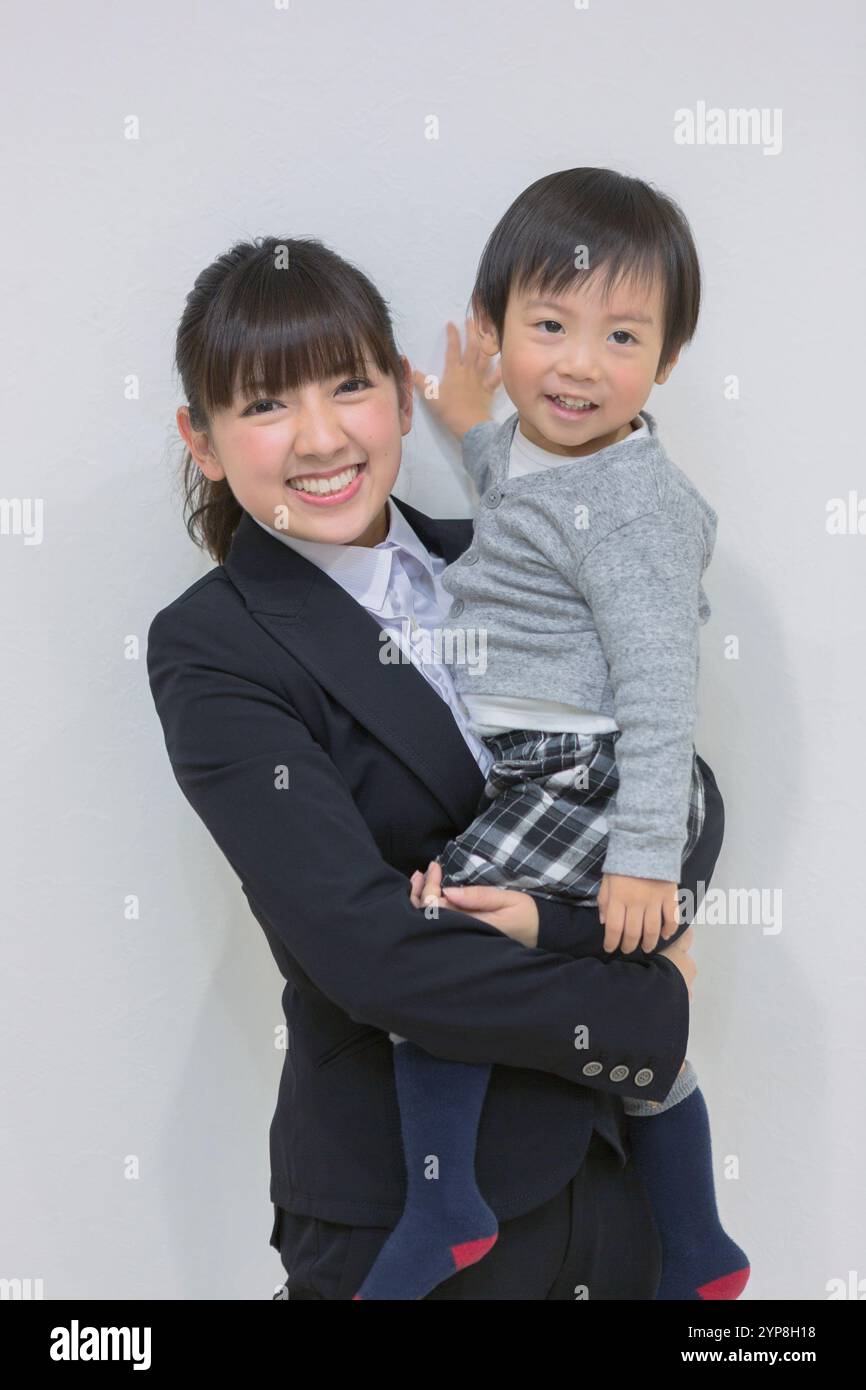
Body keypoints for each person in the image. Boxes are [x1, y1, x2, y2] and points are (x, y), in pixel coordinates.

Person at [147, 232, 717, 1301]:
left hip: (609, 1184)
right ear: (203, 440)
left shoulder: (504, 546)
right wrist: (648, 1008)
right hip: (403, 1212)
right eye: (264, 404)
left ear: (404, 397)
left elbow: (672, 774)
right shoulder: (214, 645)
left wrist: (573, 920)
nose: (322, 437)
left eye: (349, 385)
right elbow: (372, 953)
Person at [353, 168, 749, 1302]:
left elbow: (661, 687)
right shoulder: (541, 456)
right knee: (616, 1021)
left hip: (593, 776)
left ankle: (445, 1211)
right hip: (541, 772)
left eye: (620, 336)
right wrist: (466, 413)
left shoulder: (635, 506)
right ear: (495, 328)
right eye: (548, 327)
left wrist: (644, 858)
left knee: (431, 938)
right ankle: (700, 1250)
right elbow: (511, 491)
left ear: (666, 359)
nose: (578, 364)